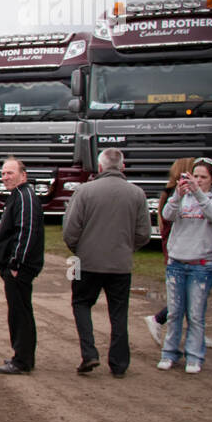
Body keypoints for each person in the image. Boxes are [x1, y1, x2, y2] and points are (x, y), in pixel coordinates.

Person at [63, 147, 151, 377]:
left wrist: (79, 249)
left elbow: (70, 230)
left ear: (100, 167)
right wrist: (127, 249)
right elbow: (144, 233)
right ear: (122, 167)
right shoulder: (137, 194)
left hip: (88, 261)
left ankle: (89, 353)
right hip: (120, 264)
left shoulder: (84, 191)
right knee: (119, 312)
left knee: (81, 304)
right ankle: (119, 363)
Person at [157, 158, 212, 373]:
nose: (197, 180)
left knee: (196, 314)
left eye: (203, 177)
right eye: (194, 176)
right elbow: (167, 215)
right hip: (177, 262)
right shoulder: (182, 198)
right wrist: (178, 194)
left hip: (201, 264)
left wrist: (199, 193)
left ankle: (194, 356)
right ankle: (169, 353)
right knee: (175, 312)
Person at [0, 157, 44, 374]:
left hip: (19, 268)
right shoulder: (18, 196)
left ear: (23, 175)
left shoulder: (26, 197)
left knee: (20, 313)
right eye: (3, 173)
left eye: (10, 173)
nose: (5, 177)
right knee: (17, 312)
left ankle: (22, 360)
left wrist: (15, 263)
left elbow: (26, 231)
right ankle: (21, 355)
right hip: (13, 266)